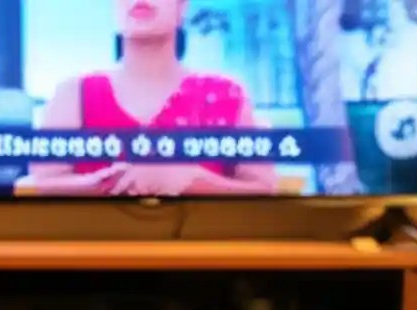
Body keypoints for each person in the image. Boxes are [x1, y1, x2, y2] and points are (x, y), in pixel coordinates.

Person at [27, 0, 279, 197]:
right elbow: (42, 184)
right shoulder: (73, 93)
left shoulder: (226, 94)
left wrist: (194, 181)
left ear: (182, 6)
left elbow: (263, 188)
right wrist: (105, 183)